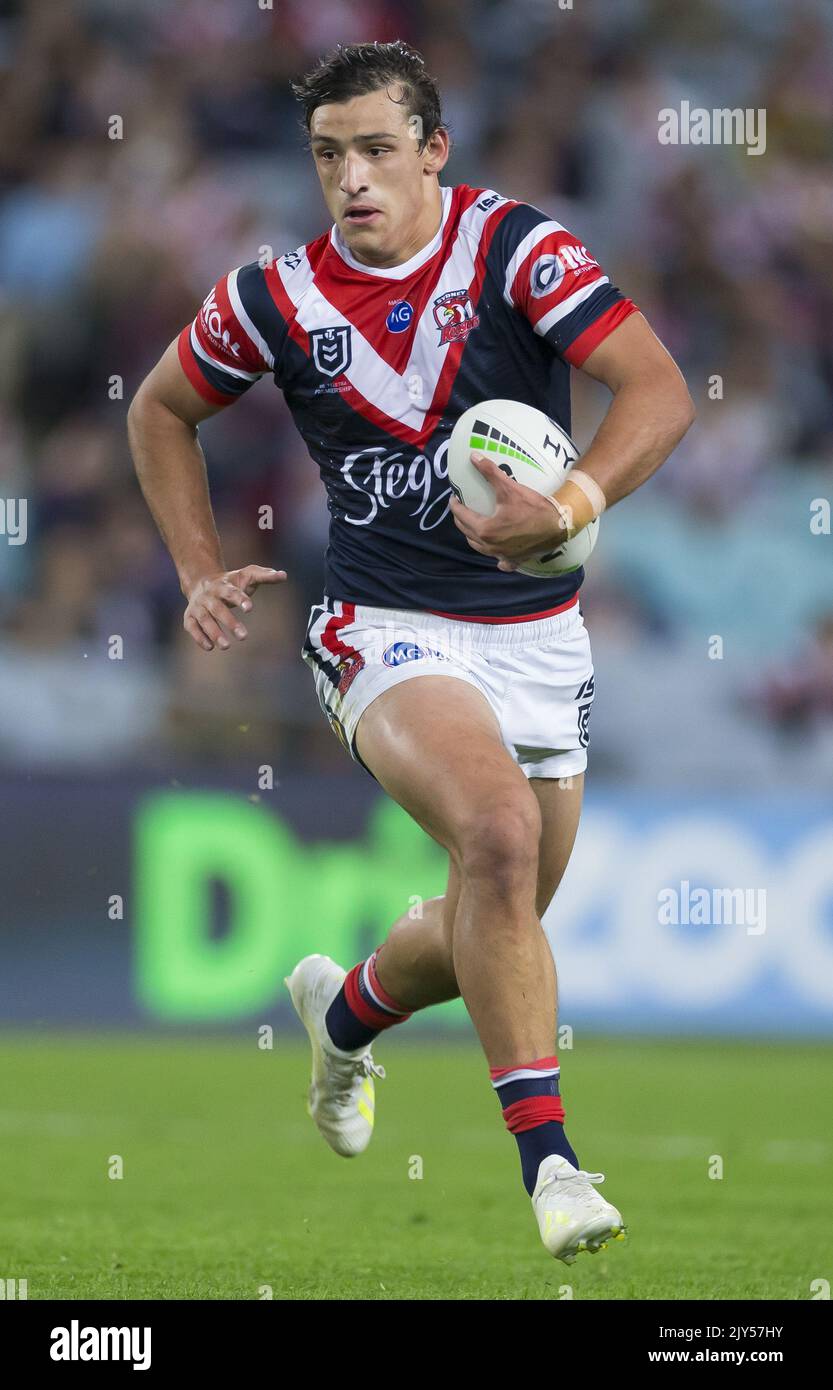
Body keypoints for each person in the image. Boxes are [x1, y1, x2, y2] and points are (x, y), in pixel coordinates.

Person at [127, 40, 695, 1264]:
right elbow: (159, 407)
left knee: (494, 914)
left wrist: (577, 500)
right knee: (494, 839)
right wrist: (193, 564)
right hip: (380, 628)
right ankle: (550, 1167)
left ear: (434, 149)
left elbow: (654, 388)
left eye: (377, 149)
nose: (352, 178)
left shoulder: (516, 253)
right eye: (329, 155)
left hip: (536, 633)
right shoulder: (274, 298)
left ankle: (341, 1015)